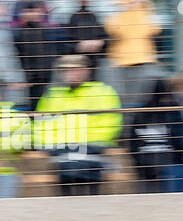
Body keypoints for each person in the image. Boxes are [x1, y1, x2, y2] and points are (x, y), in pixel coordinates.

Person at [34, 54, 122, 195]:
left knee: (85, 171)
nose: (70, 74)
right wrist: (56, 144)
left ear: (86, 70)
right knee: (67, 173)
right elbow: (42, 125)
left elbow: (110, 122)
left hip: (91, 148)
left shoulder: (102, 92)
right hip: (62, 150)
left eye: (75, 69)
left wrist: (81, 142)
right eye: (66, 70)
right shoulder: (53, 95)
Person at [124, 76, 183, 192]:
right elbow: (179, 140)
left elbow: (133, 143)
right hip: (155, 168)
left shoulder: (141, 113)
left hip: (153, 168)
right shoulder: (173, 112)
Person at [104, 0, 160, 110]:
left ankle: (133, 124)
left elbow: (154, 29)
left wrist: (144, 8)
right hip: (122, 64)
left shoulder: (144, 17)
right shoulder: (120, 18)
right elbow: (116, 30)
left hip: (140, 63)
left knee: (136, 101)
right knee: (127, 101)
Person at [64, 0, 108, 73]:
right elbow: (66, 43)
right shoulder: (73, 18)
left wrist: (100, 43)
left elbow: (106, 40)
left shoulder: (95, 17)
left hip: (95, 64)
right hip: (78, 66)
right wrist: (79, 46)